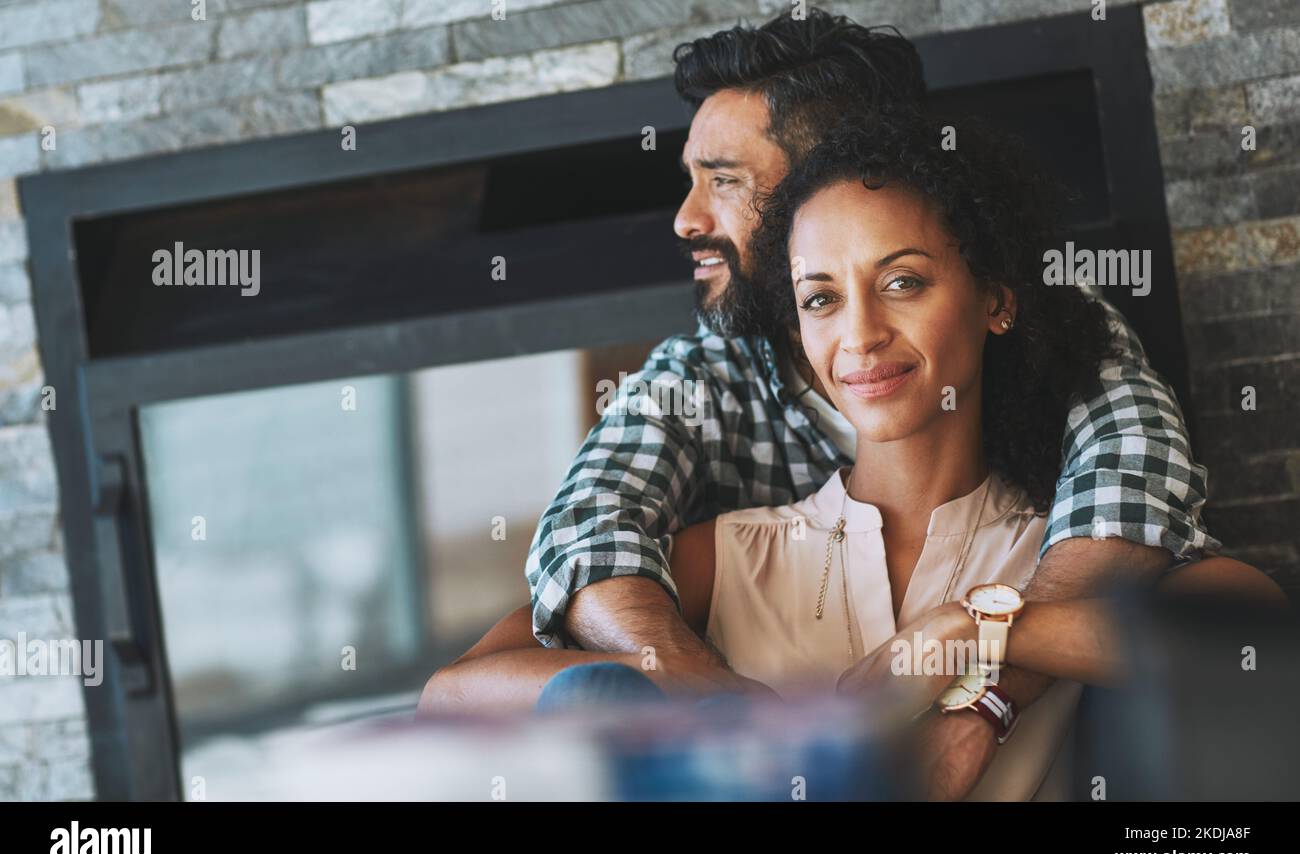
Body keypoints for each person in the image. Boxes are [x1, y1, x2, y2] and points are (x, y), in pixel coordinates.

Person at [419, 112, 1285, 801]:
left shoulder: (1065, 552)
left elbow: (1258, 643)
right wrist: (667, 691)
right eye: (821, 298)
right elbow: (451, 696)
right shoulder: (734, 554)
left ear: (996, 300)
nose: (861, 334)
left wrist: (971, 636)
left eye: (903, 281)